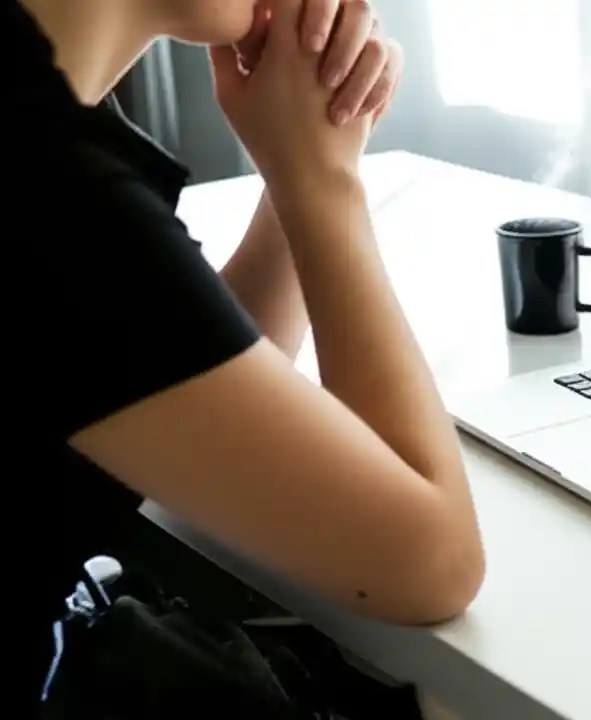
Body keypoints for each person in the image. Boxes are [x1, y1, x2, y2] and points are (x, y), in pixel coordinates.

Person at [12, 0, 485, 708]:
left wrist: (300, 155)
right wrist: (324, 188)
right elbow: (432, 568)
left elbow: (169, 393)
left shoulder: (43, 125)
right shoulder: (43, 187)